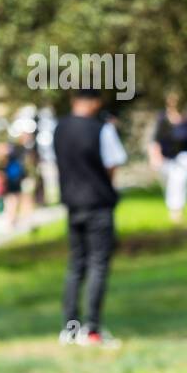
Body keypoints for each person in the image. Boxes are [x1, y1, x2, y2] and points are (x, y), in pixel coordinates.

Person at [53, 88, 127, 346]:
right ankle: (92, 328)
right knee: (98, 265)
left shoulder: (58, 129)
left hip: (72, 205)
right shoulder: (101, 129)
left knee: (76, 266)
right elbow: (113, 163)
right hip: (98, 204)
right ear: (95, 103)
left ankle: (70, 327)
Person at [149, 92, 187, 224]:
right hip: (167, 158)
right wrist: (155, 157)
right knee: (171, 184)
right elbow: (156, 140)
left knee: (178, 182)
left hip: (185, 157)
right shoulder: (162, 119)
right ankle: (175, 210)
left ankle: (176, 213)